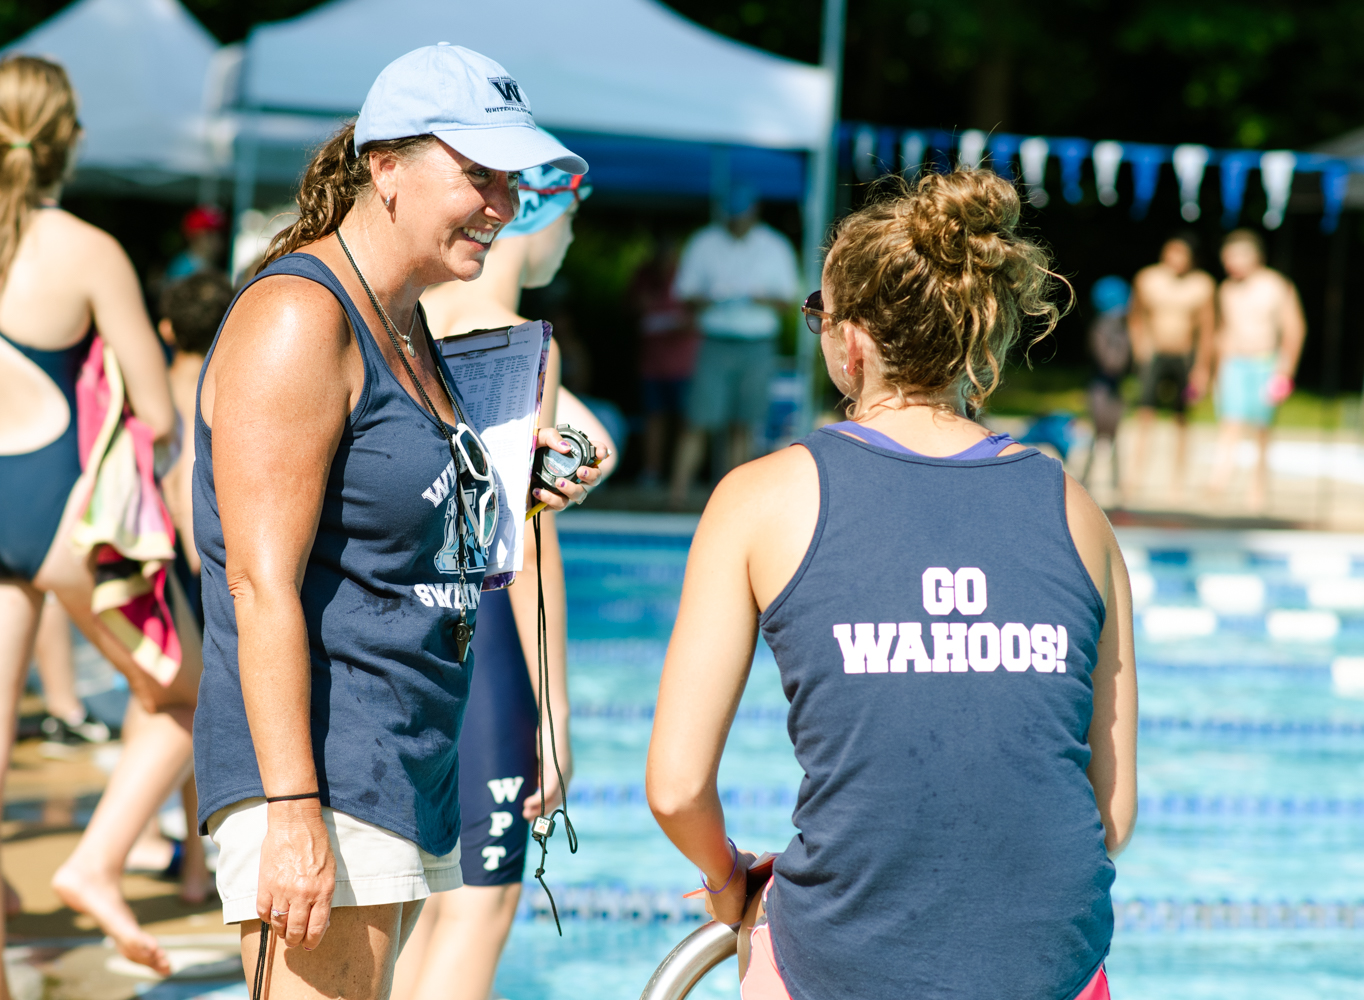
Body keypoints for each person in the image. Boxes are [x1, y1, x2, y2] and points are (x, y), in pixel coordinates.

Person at [647, 169, 1136, 1000]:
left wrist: (730, 882)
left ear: (853, 342)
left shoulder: (760, 499)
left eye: (819, 315)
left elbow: (676, 788)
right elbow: (1110, 818)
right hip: (1053, 968)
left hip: (840, 964)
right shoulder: (1076, 509)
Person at [191, 44, 599, 1000]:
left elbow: (383, 507)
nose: (504, 203)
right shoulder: (301, 317)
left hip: (399, 753)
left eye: (512, 178)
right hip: (327, 769)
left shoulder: (403, 320)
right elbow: (257, 580)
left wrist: (510, 479)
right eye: (479, 174)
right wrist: (294, 812)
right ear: (385, 169)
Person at [0, 56, 209, 984]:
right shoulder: (85, 249)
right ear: (67, 142)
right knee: (191, 693)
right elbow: (158, 414)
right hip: (52, 498)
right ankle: (95, 863)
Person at [395, 155, 616, 1000]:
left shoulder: (404, 318)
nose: (574, 237)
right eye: (575, 216)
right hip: (479, 651)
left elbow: (591, 449)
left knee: (416, 906)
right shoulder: (519, 347)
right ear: (538, 214)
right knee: (478, 907)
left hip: (396, 640)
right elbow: (520, 545)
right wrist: (554, 716)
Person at [669, 186, 799, 506]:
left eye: (741, 215)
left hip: (757, 344)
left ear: (754, 211)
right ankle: (677, 496)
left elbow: (788, 300)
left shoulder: (775, 246)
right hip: (715, 342)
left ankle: (734, 500)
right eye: (731, 215)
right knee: (698, 419)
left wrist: (757, 297)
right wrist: (713, 296)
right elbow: (684, 294)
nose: (736, 222)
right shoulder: (704, 242)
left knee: (744, 423)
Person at [1206, 229, 1305, 509]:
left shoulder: (1277, 286)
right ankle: (1219, 481)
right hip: (1234, 363)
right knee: (1230, 422)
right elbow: (1223, 333)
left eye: (1236, 257)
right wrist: (1217, 372)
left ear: (1254, 256)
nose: (1231, 264)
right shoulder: (1226, 289)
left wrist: (1285, 372)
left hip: (1266, 363)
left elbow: (1294, 330)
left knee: (1262, 429)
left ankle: (1258, 487)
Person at [1126, 234, 1214, 499]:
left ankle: (1177, 480)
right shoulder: (1148, 279)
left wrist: (1202, 367)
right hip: (1155, 354)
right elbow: (1135, 316)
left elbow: (1207, 329)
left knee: (1181, 419)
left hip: (1184, 356)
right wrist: (1139, 348)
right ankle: (1135, 476)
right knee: (1145, 414)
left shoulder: (1201, 285)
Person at [631, 237, 698, 487]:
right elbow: (633, 309)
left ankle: (681, 477)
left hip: (685, 364)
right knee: (654, 417)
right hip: (652, 364)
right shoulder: (644, 276)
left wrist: (669, 323)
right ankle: (652, 472)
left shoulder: (689, 276)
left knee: (687, 421)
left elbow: (696, 318)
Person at [1082, 276, 1130, 497]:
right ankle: (1087, 480)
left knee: (1112, 438)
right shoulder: (1102, 327)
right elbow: (1111, 363)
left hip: (1112, 389)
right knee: (1098, 436)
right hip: (1101, 388)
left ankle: (1115, 483)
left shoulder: (1119, 327)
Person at [164, 205, 227, 282]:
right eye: (209, 235)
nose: (217, 240)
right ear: (193, 236)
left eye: (221, 235)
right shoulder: (182, 269)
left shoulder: (212, 266)